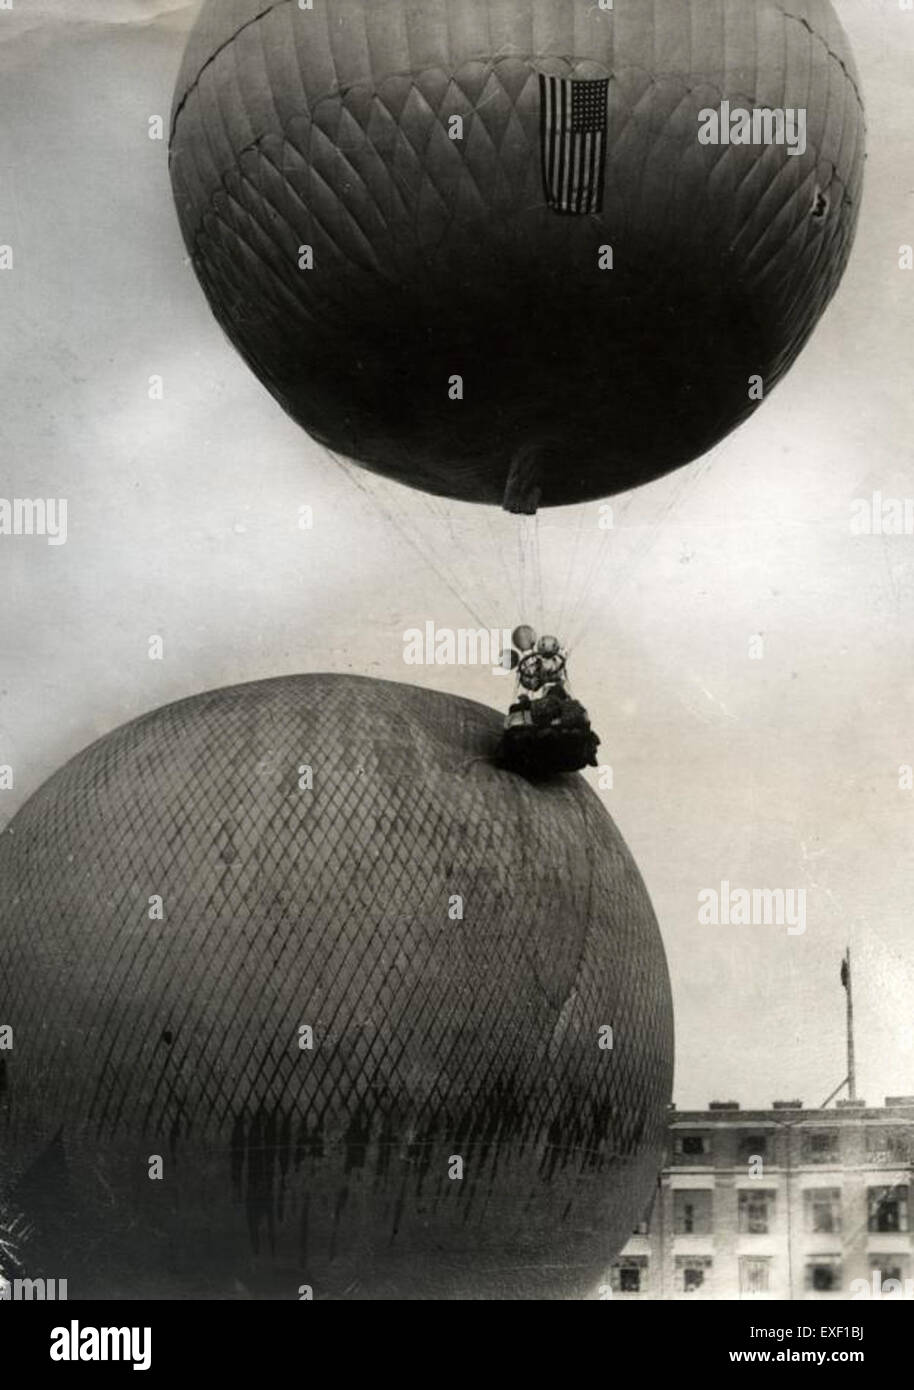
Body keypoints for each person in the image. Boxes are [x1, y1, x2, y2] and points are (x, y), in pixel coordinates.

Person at [500, 628, 600, 777]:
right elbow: (534, 683)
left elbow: (534, 684)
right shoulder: (566, 704)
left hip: (551, 716)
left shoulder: (556, 697)